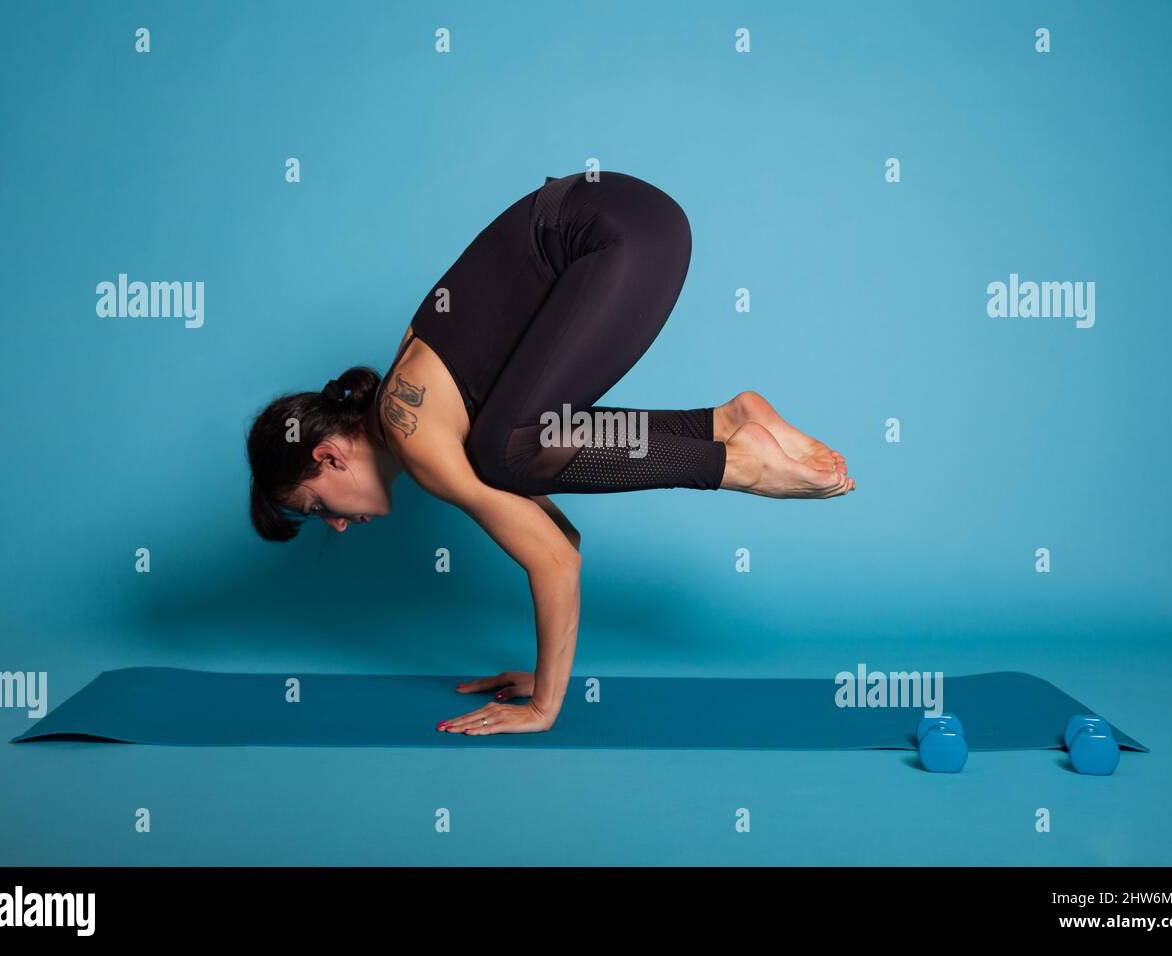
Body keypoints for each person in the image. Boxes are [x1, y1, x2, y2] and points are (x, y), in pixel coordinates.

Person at [245, 170, 855, 736]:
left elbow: (553, 562)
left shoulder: (420, 439)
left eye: (319, 507)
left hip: (616, 233)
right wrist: (546, 668)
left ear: (327, 457)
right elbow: (559, 540)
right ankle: (725, 423)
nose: (341, 525)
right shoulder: (426, 415)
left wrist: (544, 707)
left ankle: (738, 462)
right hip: (630, 220)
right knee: (509, 448)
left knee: (504, 453)